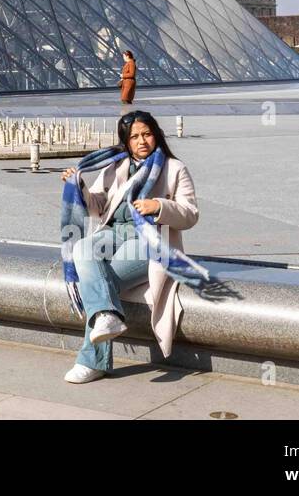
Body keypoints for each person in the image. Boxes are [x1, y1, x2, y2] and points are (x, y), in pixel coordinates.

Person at [58, 110, 201, 383]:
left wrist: (159, 206)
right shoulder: (116, 166)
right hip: (113, 233)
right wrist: (79, 188)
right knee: (81, 250)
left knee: (100, 281)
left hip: (149, 241)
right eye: (134, 136)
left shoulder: (174, 168)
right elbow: (98, 206)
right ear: (126, 141)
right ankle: (108, 318)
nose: (141, 141)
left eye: (146, 134)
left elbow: (190, 213)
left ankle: (93, 360)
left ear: (156, 134)